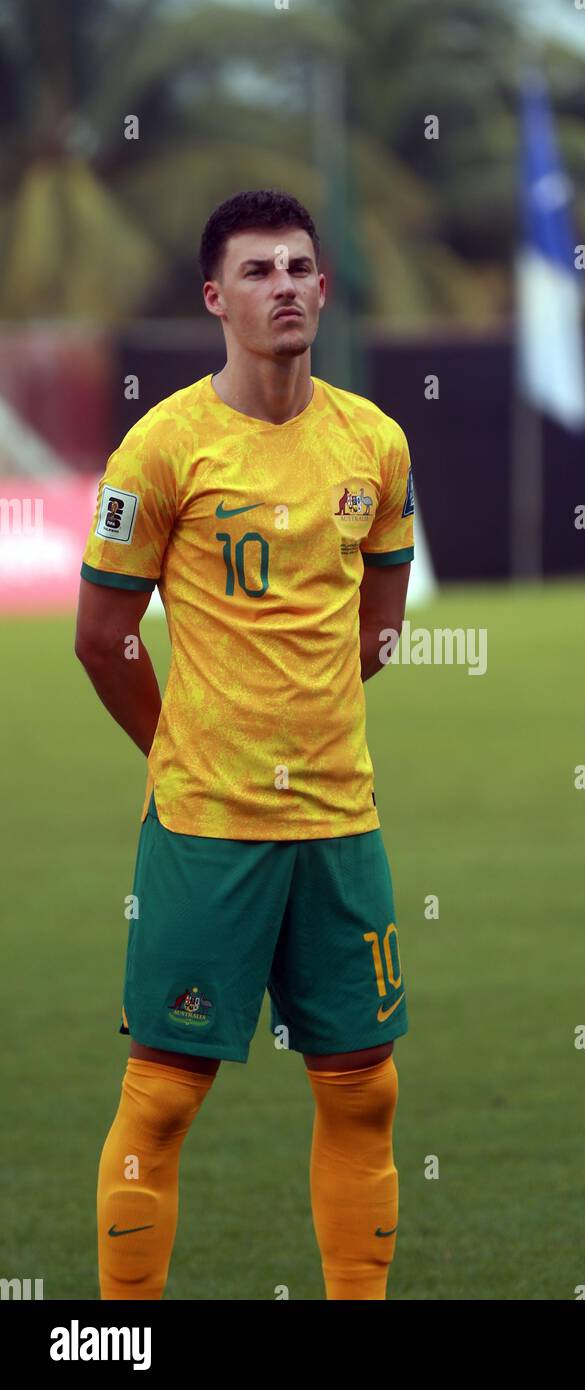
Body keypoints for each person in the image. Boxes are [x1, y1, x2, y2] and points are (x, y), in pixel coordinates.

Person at [74, 188, 415, 1301]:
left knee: (364, 1091)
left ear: (324, 286)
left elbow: (382, 610)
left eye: (300, 267)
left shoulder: (374, 441)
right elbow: (102, 634)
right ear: (217, 299)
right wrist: (179, 748)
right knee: (163, 1097)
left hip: (337, 821)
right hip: (206, 827)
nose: (285, 287)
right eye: (259, 272)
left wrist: (334, 678)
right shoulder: (162, 446)